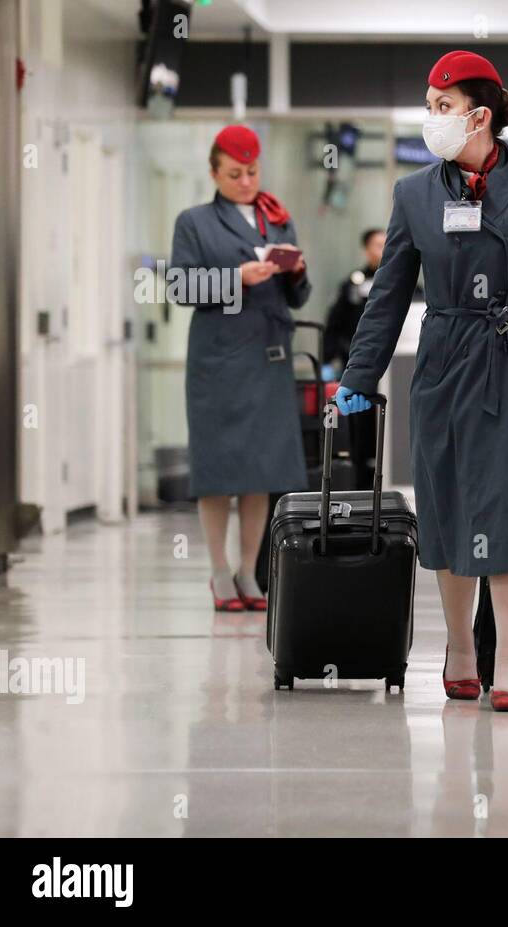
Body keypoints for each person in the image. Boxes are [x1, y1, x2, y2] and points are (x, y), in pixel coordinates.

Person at [332, 50, 508, 711]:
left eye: (442, 107)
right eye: (429, 106)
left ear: (479, 115)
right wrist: (359, 373)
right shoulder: (414, 194)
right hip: (447, 364)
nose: (432, 118)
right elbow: (388, 296)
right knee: (453, 508)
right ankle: (461, 646)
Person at [170, 124, 311, 612]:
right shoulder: (195, 222)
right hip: (219, 361)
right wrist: (236, 278)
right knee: (218, 472)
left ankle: (249, 573)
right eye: (235, 174)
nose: (246, 182)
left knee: (261, 470)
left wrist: (297, 272)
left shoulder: (276, 218)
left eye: (252, 172)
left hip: (268, 356)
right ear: (214, 173)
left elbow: (299, 297)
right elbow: (182, 288)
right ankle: (217, 572)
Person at [323, 228, 393, 486]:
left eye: (388, 244)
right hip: (359, 371)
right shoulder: (352, 285)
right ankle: (361, 488)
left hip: (396, 373)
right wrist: (327, 361)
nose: (383, 250)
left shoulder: (409, 285)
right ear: (366, 249)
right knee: (360, 434)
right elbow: (334, 325)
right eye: (377, 245)